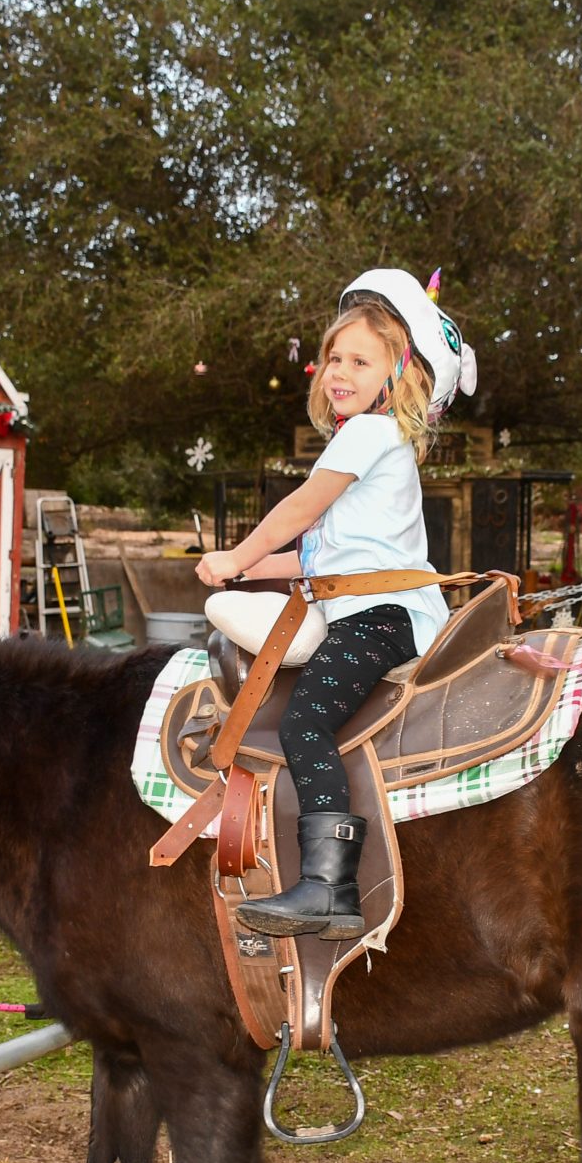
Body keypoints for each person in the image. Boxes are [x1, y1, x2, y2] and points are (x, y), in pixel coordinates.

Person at [194, 269, 477, 938]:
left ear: (394, 376)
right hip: (373, 608)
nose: (339, 372)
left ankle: (329, 886)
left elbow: (301, 507)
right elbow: (323, 551)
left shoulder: (366, 434)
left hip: (384, 617)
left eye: (360, 360)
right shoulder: (375, 440)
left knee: (304, 722)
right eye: (333, 359)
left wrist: (236, 555)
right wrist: (255, 568)